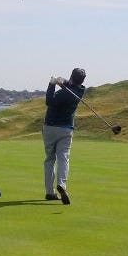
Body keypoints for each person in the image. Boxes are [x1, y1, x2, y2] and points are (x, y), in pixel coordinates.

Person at [42, 68, 86, 205]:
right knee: (63, 157)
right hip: (66, 130)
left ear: (71, 77)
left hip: (49, 127)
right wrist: (62, 81)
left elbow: (49, 101)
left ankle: (50, 192)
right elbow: (71, 84)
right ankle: (62, 185)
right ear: (83, 80)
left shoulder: (62, 94)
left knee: (50, 159)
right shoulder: (81, 91)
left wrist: (52, 84)